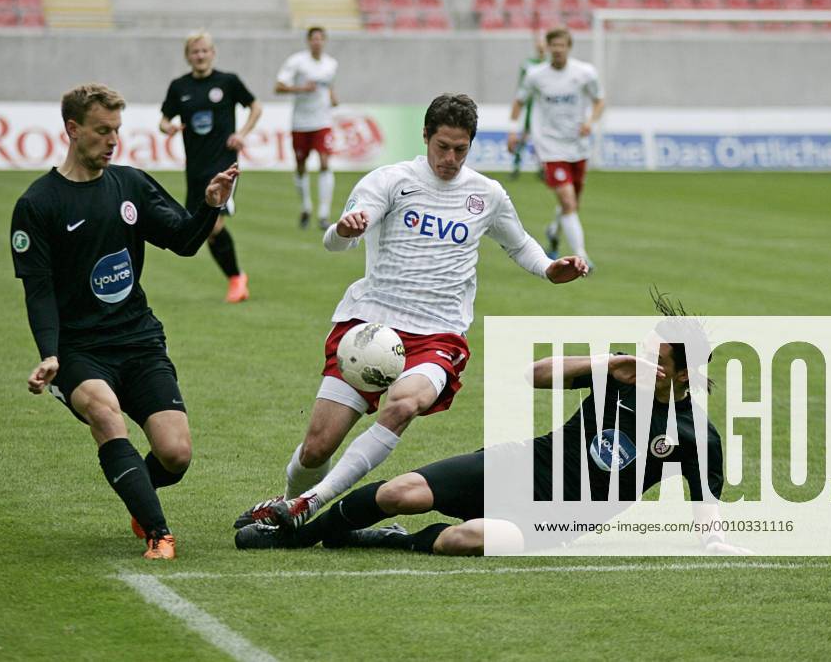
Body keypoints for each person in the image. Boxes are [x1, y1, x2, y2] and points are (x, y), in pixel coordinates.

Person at [236, 93, 588, 531]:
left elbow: (520, 245)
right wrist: (343, 230)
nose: (451, 158)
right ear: (425, 136)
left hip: (438, 336)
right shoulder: (391, 180)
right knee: (316, 449)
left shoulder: (487, 194)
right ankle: (288, 508)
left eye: (461, 149)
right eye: (442, 146)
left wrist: (551, 268)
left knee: (405, 405)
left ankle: (310, 501)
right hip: (370, 328)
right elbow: (336, 241)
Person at [237, 298, 752, 556]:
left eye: (653, 356)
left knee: (464, 539)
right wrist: (605, 360)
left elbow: (706, 504)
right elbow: (534, 376)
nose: (642, 357)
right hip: (525, 463)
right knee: (401, 491)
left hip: (562, 518)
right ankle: (299, 537)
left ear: (683, 371)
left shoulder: (695, 436)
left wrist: (715, 541)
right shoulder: (617, 373)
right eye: (641, 346)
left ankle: (386, 541)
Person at [10, 83, 239, 560]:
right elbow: (39, 291)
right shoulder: (38, 204)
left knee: (176, 455)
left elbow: (183, 241)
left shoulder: (131, 184)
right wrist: (50, 353)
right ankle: (159, 533)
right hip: (79, 349)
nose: (112, 140)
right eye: (101, 130)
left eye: (116, 130)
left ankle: (140, 496)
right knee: (105, 414)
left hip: (138, 340)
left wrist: (210, 204)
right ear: (72, 129)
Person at [160, 30, 262, 303]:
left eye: (205, 50)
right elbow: (163, 119)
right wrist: (167, 127)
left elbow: (256, 107)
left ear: (212, 53)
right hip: (195, 168)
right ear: (188, 56)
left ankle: (237, 279)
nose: (200, 55)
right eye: (195, 51)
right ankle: (236, 277)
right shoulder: (179, 86)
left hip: (224, 164)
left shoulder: (227, 82)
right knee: (203, 229)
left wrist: (242, 134)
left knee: (214, 224)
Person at [508, 27, 604, 266]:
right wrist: (513, 130)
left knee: (571, 204)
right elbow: (519, 102)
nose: (558, 50)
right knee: (568, 202)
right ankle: (581, 254)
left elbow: (599, 100)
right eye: (554, 46)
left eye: (562, 45)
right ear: (547, 48)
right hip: (549, 147)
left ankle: (553, 231)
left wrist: (590, 122)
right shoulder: (535, 75)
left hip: (578, 146)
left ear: (568, 47)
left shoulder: (585, 73)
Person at [275, 26, 339, 230]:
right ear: (308, 41)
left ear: (324, 41)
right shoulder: (297, 62)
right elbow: (278, 87)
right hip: (301, 122)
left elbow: (329, 86)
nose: (317, 42)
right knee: (301, 166)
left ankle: (323, 214)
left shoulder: (331, 64)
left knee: (325, 162)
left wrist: (333, 97)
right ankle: (305, 207)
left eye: (321, 38)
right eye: (314, 39)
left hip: (322, 121)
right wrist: (302, 88)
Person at [509, 36, 546, 180]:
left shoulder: (549, 63)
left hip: (545, 106)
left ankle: (542, 167)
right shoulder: (528, 64)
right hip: (531, 104)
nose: (541, 47)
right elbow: (521, 86)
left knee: (541, 139)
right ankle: (516, 165)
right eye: (539, 44)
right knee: (524, 135)